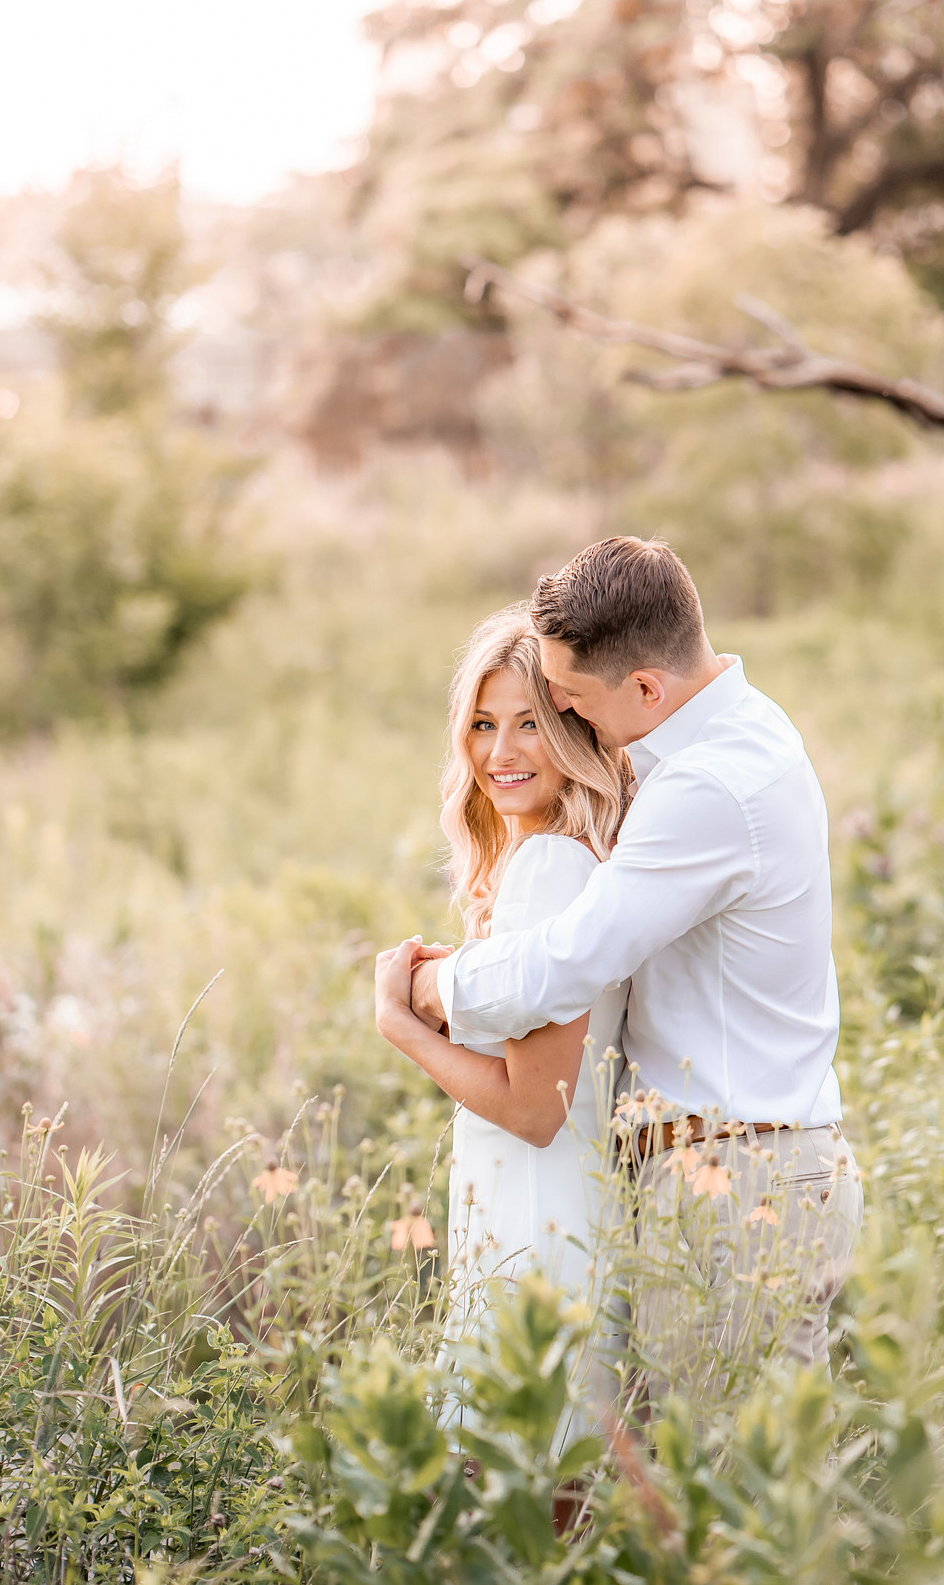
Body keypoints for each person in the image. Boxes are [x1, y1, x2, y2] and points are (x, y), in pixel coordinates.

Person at [406, 536, 864, 1411]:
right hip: (741, 1169)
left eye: (569, 705)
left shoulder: (706, 788)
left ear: (645, 688)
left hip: (741, 1179)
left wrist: (428, 994)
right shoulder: (750, 728)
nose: (579, 727)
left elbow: (573, 958)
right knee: (707, 1500)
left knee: (725, 1513)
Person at [374, 605, 631, 1445]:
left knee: (523, 1519)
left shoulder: (551, 865)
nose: (500, 753)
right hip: (543, 1228)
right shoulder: (553, 865)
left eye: (529, 724)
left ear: (572, 737)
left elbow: (535, 1108)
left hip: (539, 1237)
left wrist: (404, 1027)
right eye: (483, 725)